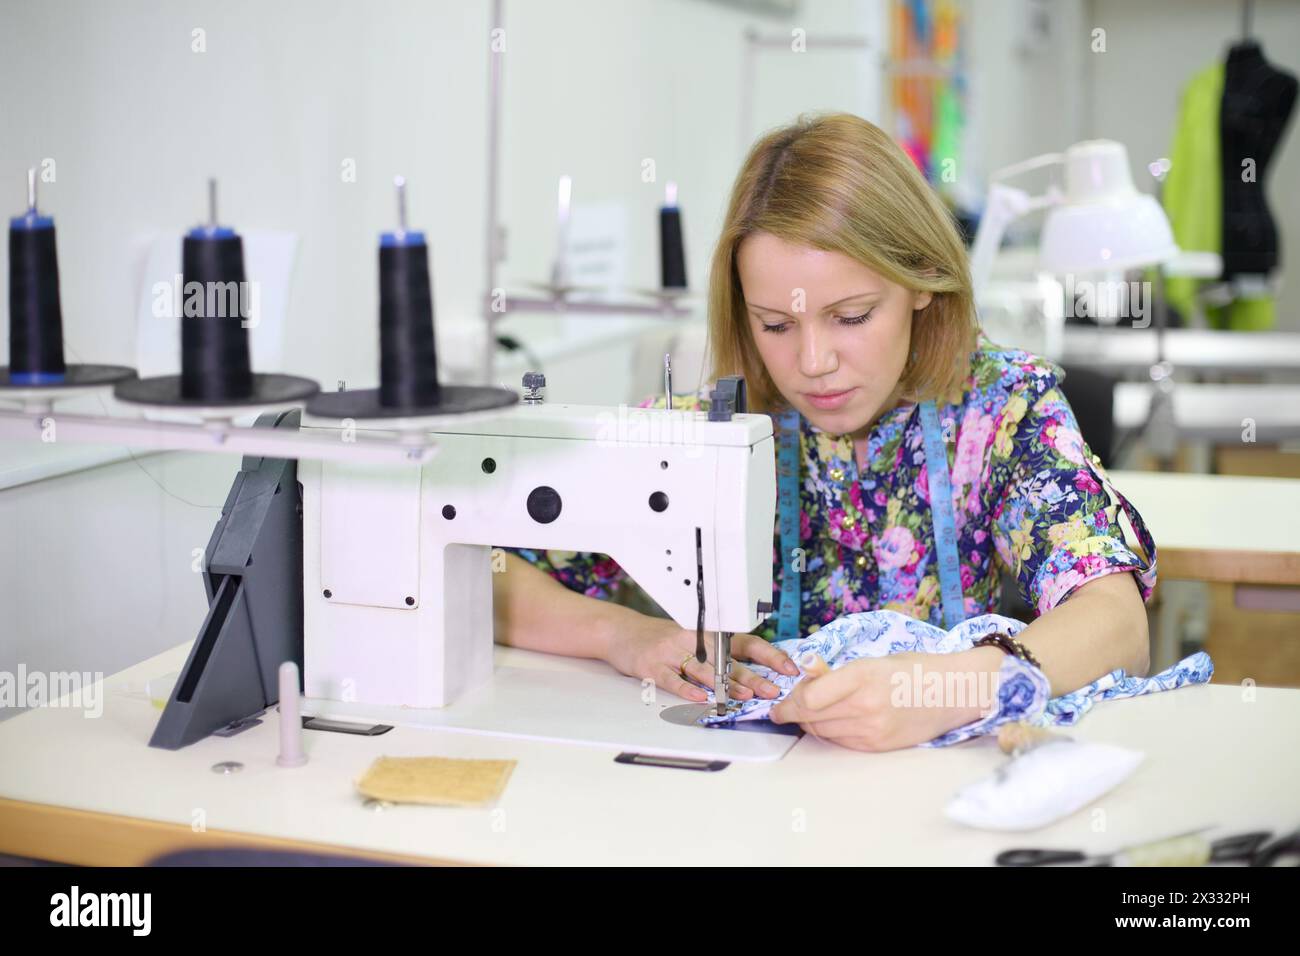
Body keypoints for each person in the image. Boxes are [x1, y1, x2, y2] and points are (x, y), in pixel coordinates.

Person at [492, 112, 1156, 752]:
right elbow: (489, 577)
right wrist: (625, 636)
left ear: (921, 281)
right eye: (775, 325)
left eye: (852, 315)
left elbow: (1117, 623)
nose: (812, 363)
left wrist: (947, 688)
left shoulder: (1000, 412)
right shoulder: (706, 433)